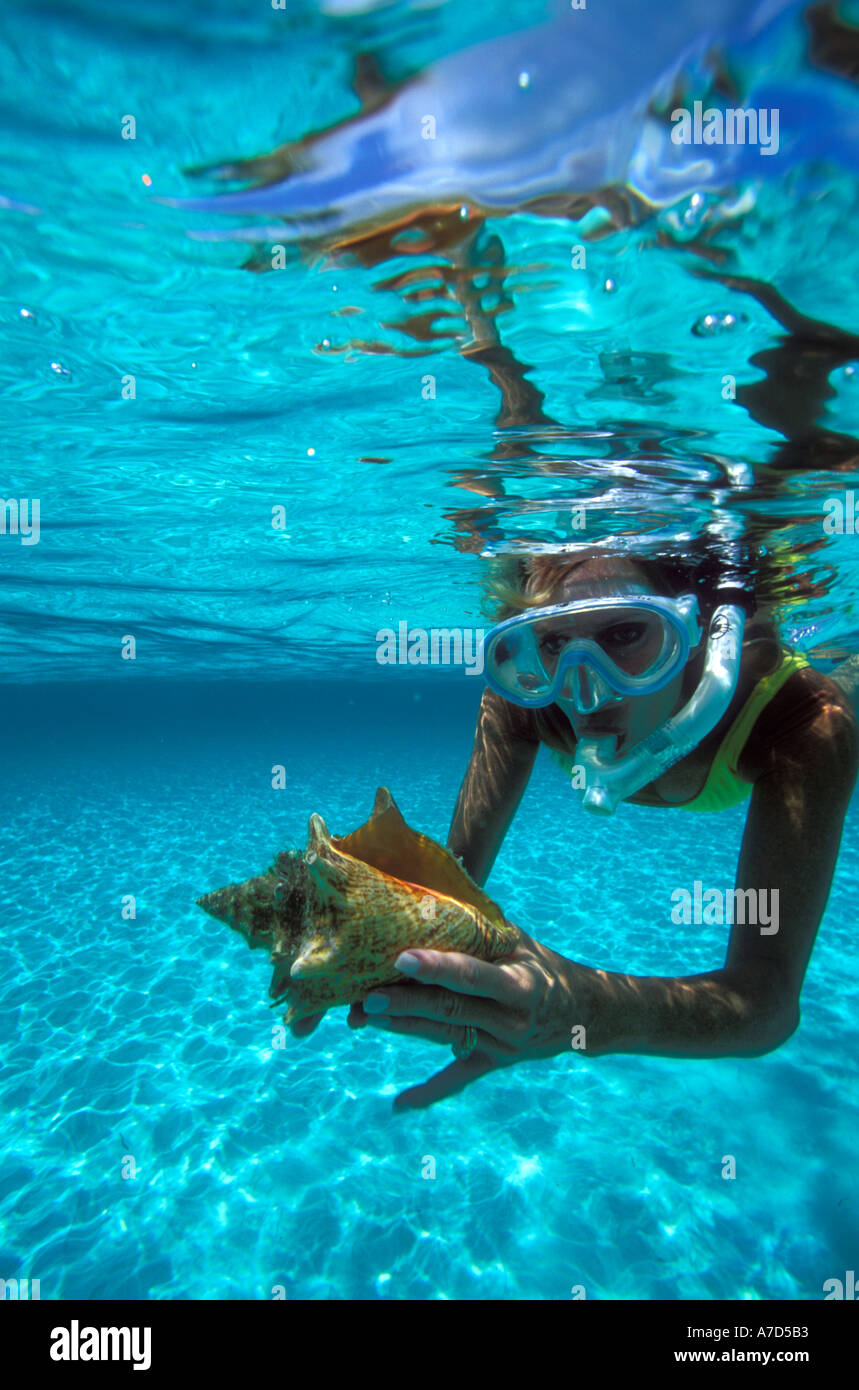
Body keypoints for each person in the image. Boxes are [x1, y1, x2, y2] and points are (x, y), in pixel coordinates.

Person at [343, 547, 858, 1110]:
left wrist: (583, 1010)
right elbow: (450, 889)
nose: (586, 693)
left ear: (694, 630)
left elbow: (768, 1003)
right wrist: (373, 956)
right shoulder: (527, 699)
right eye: (556, 643)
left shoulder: (804, 722)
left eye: (625, 635)